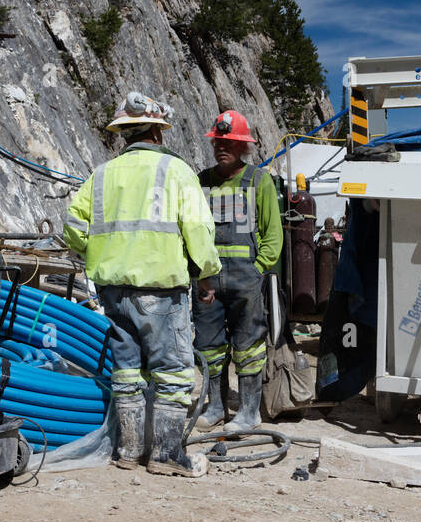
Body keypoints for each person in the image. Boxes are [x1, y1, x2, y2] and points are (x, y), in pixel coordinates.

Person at [63, 92, 220, 477]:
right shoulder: (175, 171)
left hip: (113, 290)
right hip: (160, 290)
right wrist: (207, 273)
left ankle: (129, 451)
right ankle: (166, 455)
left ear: (123, 135)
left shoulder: (101, 175)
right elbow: (198, 227)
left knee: (127, 371)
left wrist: (100, 252)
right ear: (156, 131)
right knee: (172, 371)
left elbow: (72, 226)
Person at [193, 109, 283, 432]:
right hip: (208, 282)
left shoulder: (260, 182)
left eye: (229, 141)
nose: (222, 146)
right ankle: (216, 407)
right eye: (218, 140)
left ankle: (248, 412)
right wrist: (198, 273)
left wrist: (257, 270)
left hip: (246, 279)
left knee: (249, 347)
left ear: (243, 146)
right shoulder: (200, 182)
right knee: (209, 346)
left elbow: (274, 236)